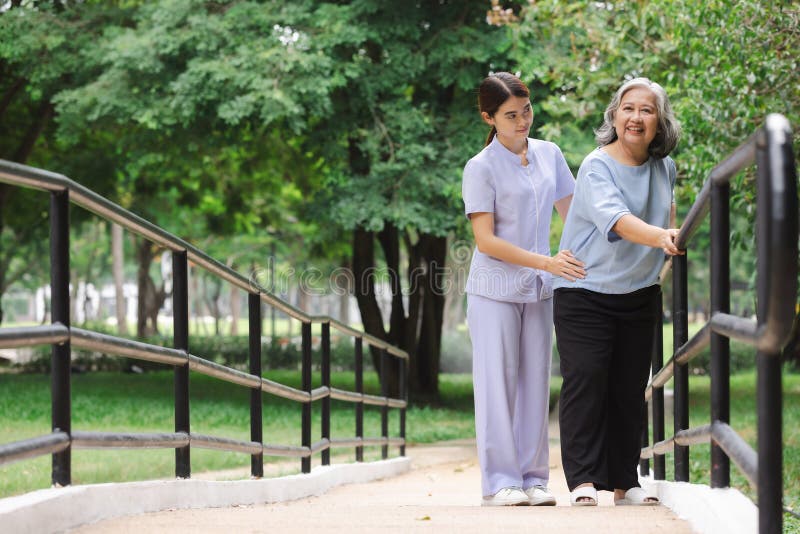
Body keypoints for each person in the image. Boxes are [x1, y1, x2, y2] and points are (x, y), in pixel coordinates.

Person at [552, 77, 683, 507]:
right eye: (628, 108)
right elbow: (621, 221)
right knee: (587, 379)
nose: (636, 117)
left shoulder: (665, 167)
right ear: (614, 115)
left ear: (659, 122)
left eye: (647, 110)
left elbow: (669, 217)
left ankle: (626, 480)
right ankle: (584, 481)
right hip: (585, 290)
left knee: (630, 388)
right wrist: (663, 237)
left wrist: (669, 239)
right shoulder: (596, 166)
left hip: (638, 292)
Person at [461, 72, 586, 507]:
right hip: (493, 289)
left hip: (540, 288)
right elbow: (486, 241)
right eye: (510, 115)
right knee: (497, 384)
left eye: (527, 110)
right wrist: (547, 262)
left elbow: (575, 215)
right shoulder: (480, 168)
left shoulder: (551, 154)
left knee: (536, 383)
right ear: (489, 117)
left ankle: (534, 478)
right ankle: (499, 481)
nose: (522, 121)